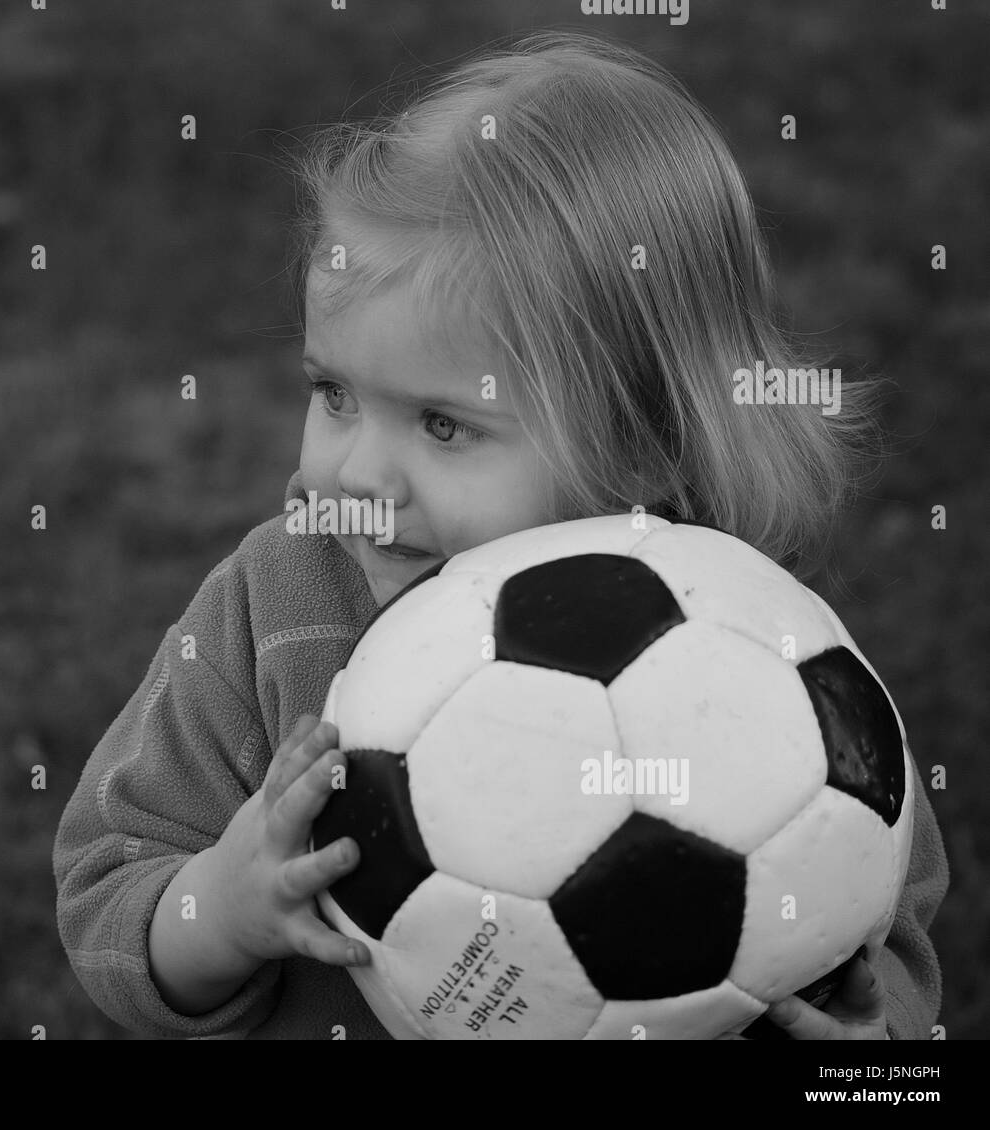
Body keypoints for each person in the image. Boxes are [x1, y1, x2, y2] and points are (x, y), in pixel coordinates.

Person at [54, 31, 948, 1040]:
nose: (356, 474)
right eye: (332, 393)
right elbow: (106, 890)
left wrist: (871, 1048)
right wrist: (223, 904)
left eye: (445, 425)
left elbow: (886, 927)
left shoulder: (760, 664)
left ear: (643, 439)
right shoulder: (270, 604)